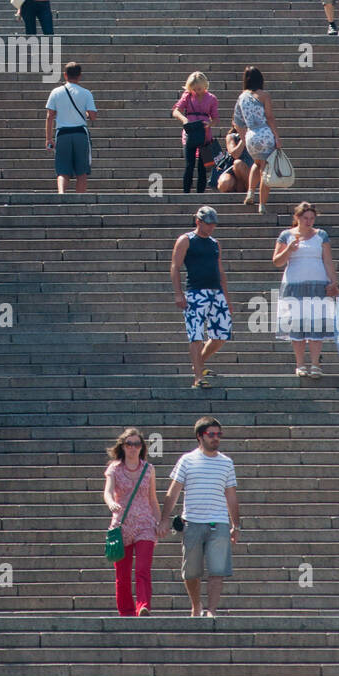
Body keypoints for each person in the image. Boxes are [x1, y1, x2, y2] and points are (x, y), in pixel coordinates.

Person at [158, 417, 240, 619]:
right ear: (199, 436)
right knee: (191, 571)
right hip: (192, 521)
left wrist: (235, 524)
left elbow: (231, 494)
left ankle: (212, 610)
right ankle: (196, 606)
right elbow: (174, 491)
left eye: (218, 434)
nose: (215, 438)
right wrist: (164, 518)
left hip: (219, 522)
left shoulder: (226, 463)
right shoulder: (187, 460)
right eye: (211, 434)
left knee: (218, 570)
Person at [272, 201, 339, 379]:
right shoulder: (286, 235)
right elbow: (277, 261)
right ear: (297, 218)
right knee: (297, 326)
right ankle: (300, 364)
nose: (309, 222)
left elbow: (328, 261)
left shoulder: (321, 235)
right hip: (294, 285)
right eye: (305, 218)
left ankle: (315, 364)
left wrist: (334, 282)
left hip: (318, 284)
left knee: (316, 325)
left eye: (311, 218)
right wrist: (289, 250)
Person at [170, 205, 232, 388]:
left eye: (213, 224)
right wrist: (178, 293)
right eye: (208, 224)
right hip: (195, 292)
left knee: (221, 334)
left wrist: (227, 297)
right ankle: (198, 377)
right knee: (196, 335)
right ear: (198, 222)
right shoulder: (186, 240)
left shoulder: (215, 243)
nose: (211, 227)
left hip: (216, 292)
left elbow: (220, 271)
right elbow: (175, 266)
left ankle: (199, 363)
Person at [103, 428, 160, 617]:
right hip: (122, 525)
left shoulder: (148, 469)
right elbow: (108, 491)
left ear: (142, 447)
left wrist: (159, 521)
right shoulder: (114, 468)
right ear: (123, 446)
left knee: (143, 569)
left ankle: (143, 606)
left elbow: (152, 499)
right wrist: (111, 503)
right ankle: (126, 612)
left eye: (137, 444)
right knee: (123, 575)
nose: (133, 448)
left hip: (145, 524)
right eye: (129, 444)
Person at [232, 65, 282, 213]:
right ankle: (262, 204)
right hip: (264, 133)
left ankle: (250, 192)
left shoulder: (241, 97)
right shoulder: (264, 95)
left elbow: (237, 122)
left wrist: (244, 137)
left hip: (251, 135)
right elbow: (270, 118)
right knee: (266, 169)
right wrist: (277, 137)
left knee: (256, 164)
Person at [45, 61, 96, 193]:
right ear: (79, 76)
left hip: (62, 134)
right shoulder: (86, 93)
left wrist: (48, 139)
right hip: (80, 134)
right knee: (82, 171)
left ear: (65, 75)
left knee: (62, 170)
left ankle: (61, 194)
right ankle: (79, 199)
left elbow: (50, 116)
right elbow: (93, 116)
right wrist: (86, 114)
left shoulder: (55, 92)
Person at [171, 71, 219, 194]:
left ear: (205, 86)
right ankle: (186, 192)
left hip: (205, 134)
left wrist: (210, 124)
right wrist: (185, 120)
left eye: (199, 88)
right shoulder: (187, 95)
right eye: (194, 89)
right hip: (190, 133)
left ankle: (200, 193)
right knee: (189, 164)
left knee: (204, 167)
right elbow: (176, 111)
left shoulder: (212, 98)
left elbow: (216, 118)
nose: (196, 91)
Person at [215, 127, 253, 194]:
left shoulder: (255, 136)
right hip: (232, 169)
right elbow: (235, 154)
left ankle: (251, 190)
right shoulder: (231, 137)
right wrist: (243, 139)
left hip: (251, 171)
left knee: (238, 164)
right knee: (224, 183)